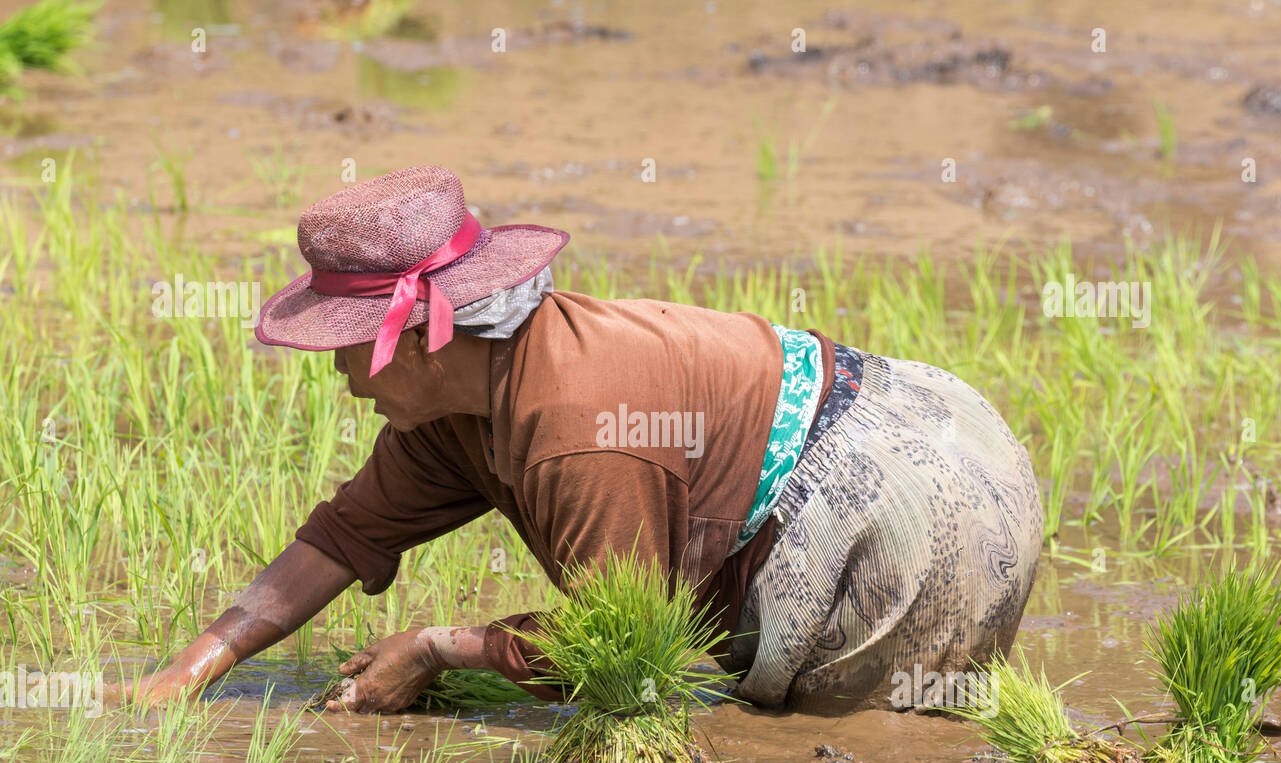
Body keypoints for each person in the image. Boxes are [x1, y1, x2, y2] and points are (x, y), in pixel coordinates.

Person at [119, 165, 1043, 716]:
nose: (336, 371)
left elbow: (624, 643)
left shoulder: (578, 424)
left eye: (347, 346)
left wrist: (439, 646)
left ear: (422, 339)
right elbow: (342, 536)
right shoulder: (453, 409)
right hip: (883, 453)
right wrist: (194, 666)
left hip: (914, 505)